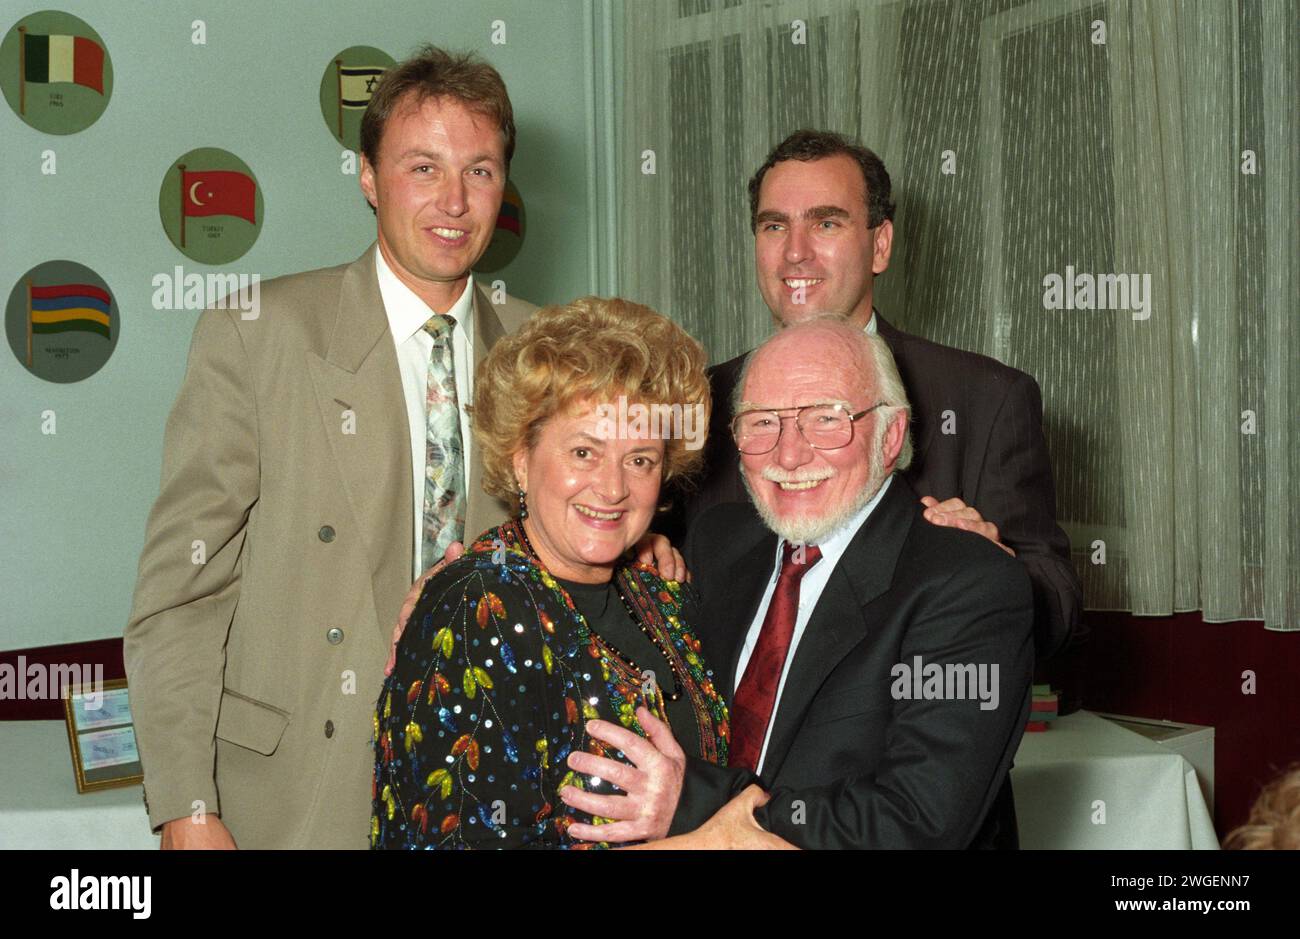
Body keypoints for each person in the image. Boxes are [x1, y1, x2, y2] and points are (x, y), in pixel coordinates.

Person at [122, 46, 543, 850]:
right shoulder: (258, 334)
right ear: (368, 176)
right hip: (297, 798)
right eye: (424, 167)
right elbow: (180, 594)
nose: (454, 201)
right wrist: (187, 806)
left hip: (492, 787)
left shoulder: (543, 350)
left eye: (481, 171)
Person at [579, 318, 1035, 849]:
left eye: (826, 419)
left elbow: (917, 819)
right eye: (762, 422)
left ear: (890, 436)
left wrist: (697, 806)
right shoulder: (717, 544)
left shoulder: (970, 584)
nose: (788, 455)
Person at [672, 130, 1081, 666]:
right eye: (774, 226)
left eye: (825, 222)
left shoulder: (985, 399)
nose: (795, 252)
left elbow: (1061, 612)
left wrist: (997, 570)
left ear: (880, 245)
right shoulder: (697, 401)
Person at [373, 297, 727, 848]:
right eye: (584, 452)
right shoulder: (478, 608)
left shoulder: (662, 593)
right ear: (520, 456)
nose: (613, 489)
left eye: (640, 460)